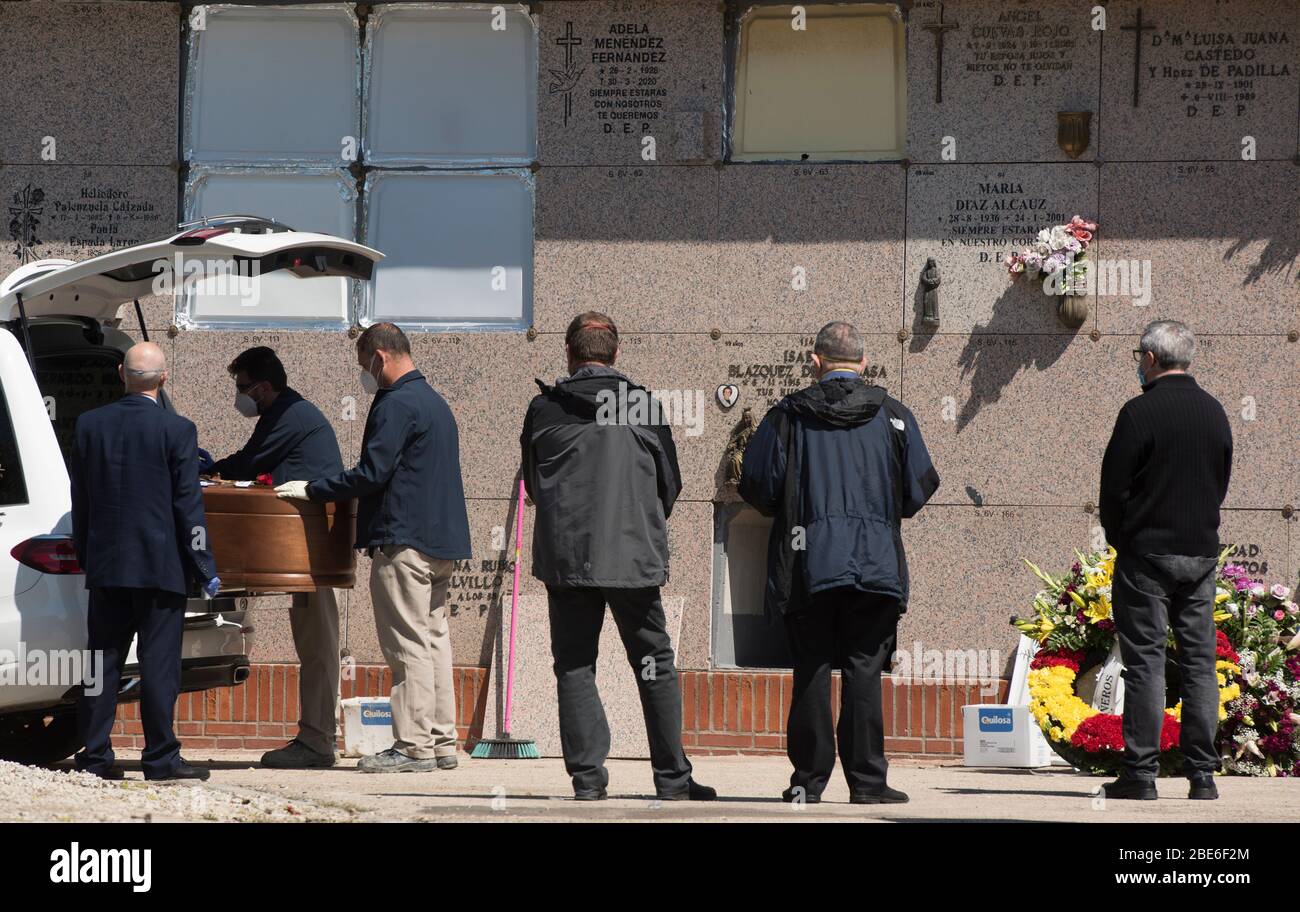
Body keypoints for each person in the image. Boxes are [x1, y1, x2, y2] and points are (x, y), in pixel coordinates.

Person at [739, 321, 939, 805]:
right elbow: (918, 488)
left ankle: (807, 783)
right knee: (864, 671)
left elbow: (758, 485)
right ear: (864, 362)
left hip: (807, 565)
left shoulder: (788, 416)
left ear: (816, 361)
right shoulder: (893, 415)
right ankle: (868, 784)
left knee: (811, 669)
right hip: (875, 565)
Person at [520, 312, 714, 801]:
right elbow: (670, 485)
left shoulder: (544, 409)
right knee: (653, 663)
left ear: (569, 352)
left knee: (575, 664)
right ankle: (672, 780)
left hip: (568, 559)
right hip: (632, 558)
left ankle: (588, 781)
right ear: (616, 353)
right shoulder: (641, 405)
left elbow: (534, 485)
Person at [276, 323, 471, 773]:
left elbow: (371, 473)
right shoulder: (435, 402)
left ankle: (413, 747)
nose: (364, 373)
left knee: (407, 645)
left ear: (380, 357)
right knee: (434, 642)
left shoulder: (395, 403)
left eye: (364, 364)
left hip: (402, 541)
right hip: (441, 543)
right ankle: (442, 742)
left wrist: (314, 489)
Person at [70, 342, 220, 782]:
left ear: (121, 373)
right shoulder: (178, 429)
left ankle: (95, 756)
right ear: (164, 379)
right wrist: (204, 565)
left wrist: (86, 554)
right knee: (158, 665)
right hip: (160, 567)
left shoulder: (90, 425)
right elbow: (188, 506)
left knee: (101, 663)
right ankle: (160, 758)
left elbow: (81, 499)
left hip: (107, 565)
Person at [1099, 320, 1232, 801]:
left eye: (1140, 357)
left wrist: (1123, 538)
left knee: (1146, 664)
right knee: (1199, 664)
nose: (1139, 365)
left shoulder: (1138, 413)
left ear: (1151, 359)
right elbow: (1220, 480)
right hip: (1199, 553)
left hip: (1146, 556)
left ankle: (1141, 774)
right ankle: (1203, 776)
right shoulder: (1214, 411)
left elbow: (1113, 489)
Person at [207, 346, 344, 770]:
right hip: (306, 548)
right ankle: (317, 737)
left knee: (317, 644)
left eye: (243, 387)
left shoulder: (290, 415)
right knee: (314, 642)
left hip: (310, 549)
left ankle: (317, 741)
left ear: (264, 387)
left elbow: (250, 462)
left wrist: (205, 469)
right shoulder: (285, 412)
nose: (240, 395)